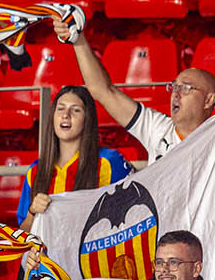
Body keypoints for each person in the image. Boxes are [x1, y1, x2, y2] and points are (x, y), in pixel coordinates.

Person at [60, 17, 215, 169]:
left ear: (209, 100)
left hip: (204, 240)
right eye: (174, 86)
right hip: (161, 240)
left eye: (186, 88)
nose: (176, 93)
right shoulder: (157, 128)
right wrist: (78, 40)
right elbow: (103, 91)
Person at [17, 84, 131, 229]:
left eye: (75, 110)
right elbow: (23, 234)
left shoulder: (109, 162)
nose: (65, 115)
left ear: (87, 119)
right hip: (46, 252)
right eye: (60, 109)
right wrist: (32, 213)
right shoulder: (36, 170)